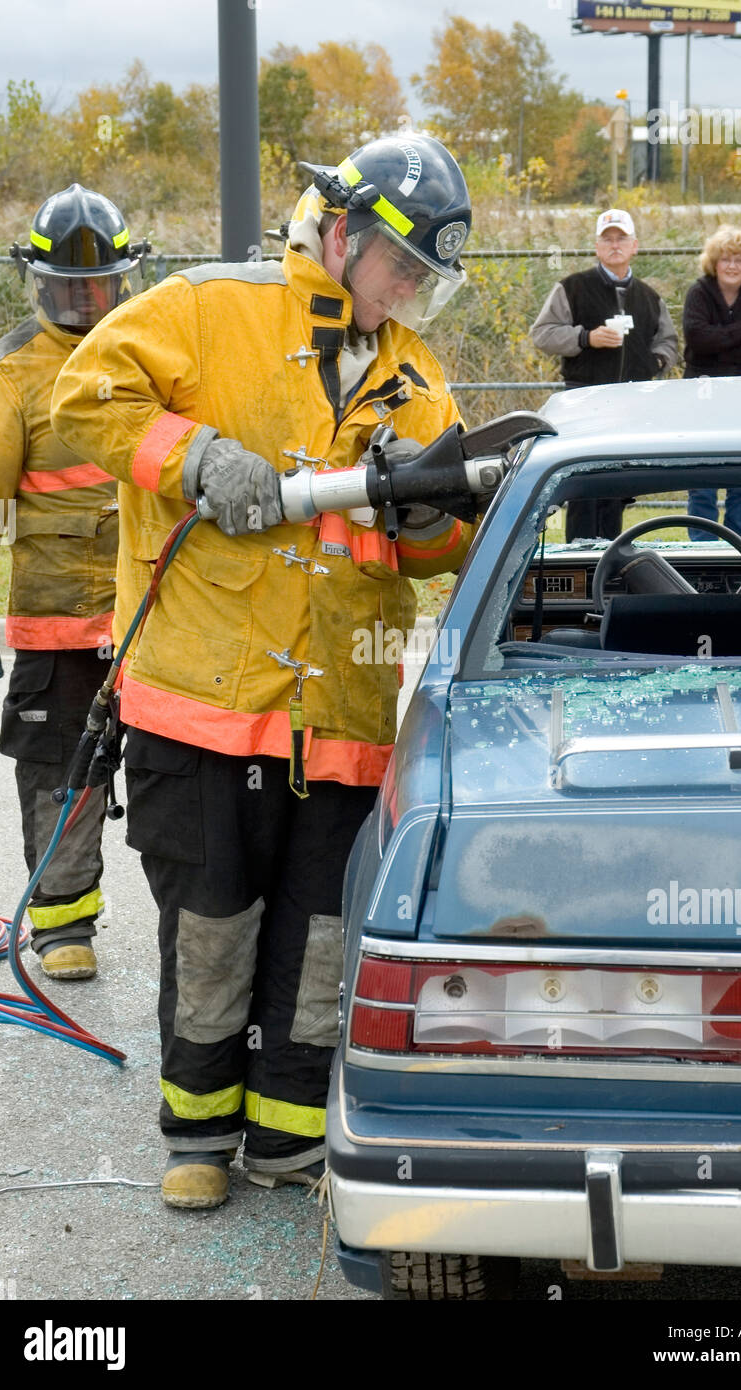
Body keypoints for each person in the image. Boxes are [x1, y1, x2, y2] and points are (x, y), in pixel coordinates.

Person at [51, 135, 474, 1208]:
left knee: (319, 939)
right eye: (402, 267)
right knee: (213, 926)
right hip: (205, 703)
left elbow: (436, 550)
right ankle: (197, 1132)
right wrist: (196, 458)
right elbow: (82, 396)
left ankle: (289, 1138)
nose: (412, 291)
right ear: (342, 233)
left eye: (427, 278)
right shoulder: (209, 307)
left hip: (338, 711)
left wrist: (429, 519)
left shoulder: (414, 379)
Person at [0, 184, 148, 979]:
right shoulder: (7, 375)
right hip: (56, 625)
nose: (84, 299)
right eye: (67, 286)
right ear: (37, 284)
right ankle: (61, 926)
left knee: (176, 778)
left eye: (98, 284)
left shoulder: (148, 349)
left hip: (152, 621)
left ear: (122, 281)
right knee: (60, 780)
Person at [530, 208, 678, 541]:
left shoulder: (649, 297)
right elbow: (543, 334)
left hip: (632, 406)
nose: (614, 245)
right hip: (585, 401)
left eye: (621, 239)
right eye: (607, 239)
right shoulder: (572, 288)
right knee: (583, 486)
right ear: (597, 247)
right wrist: (586, 338)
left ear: (634, 246)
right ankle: (579, 561)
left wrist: (653, 364)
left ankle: (612, 563)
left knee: (617, 487)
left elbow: (668, 342)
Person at [683, 225, 741, 542]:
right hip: (703, 396)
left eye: (739, 259)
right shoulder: (699, 292)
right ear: (715, 262)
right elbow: (696, 339)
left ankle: (739, 542)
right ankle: (702, 544)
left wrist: (718, 347)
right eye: (726, 259)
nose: (732, 266)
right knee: (703, 472)